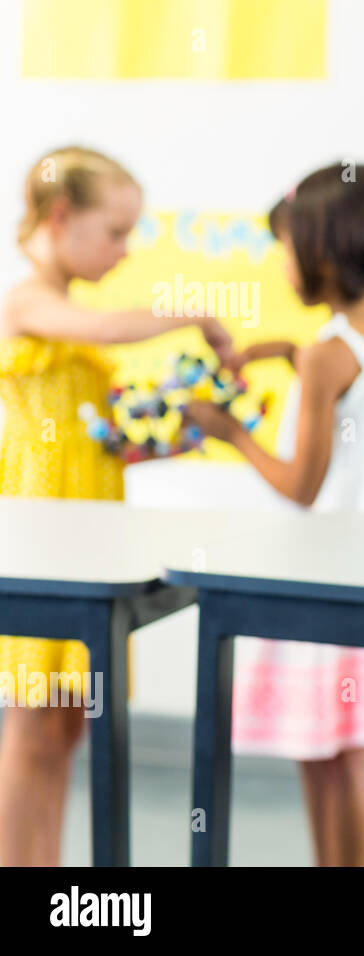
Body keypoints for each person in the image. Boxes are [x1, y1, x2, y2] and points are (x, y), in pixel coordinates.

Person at [184, 163, 364, 866]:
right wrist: (275, 354)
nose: (281, 262)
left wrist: (227, 430)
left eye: (287, 247)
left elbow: (299, 486)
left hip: (315, 580)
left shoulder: (328, 355)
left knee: (320, 762)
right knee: (342, 759)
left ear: (323, 256)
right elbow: (336, 366)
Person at [0, 145, 234, 866]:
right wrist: (194, 313)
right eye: (115, 231)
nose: (124, 251)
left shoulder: (65, 312)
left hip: (84, 530)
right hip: (40, 534)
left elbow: (99, 438)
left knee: (66, 722)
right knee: (34, 720)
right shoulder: (28, 300)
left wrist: (176, 439)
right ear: (62, 215)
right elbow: (105, 330)